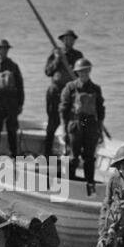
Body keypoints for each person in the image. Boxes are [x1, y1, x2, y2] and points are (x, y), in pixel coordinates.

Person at [59, 58, 105, 194]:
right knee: (73, 157)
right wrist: (63, 129)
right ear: (77, 73)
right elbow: (63, 109)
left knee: (89, 157)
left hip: (91, 125)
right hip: (75, 125)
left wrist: (100, 129)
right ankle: (69, 185)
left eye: (85, 70)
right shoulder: (70, 87)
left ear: (89, 71)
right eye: (80, 71)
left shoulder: (96, 89)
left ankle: (90, 186)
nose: (83, 73)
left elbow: (100, 110)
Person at [42, 29, 82, 158]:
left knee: (70, 124)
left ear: (74, 41)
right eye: (66, 38)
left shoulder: (78, 55)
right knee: (53, 123)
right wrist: (58, 60)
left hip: (70, 93)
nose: (68, 41)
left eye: (71, 38)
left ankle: (69, 154)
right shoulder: (55, 53)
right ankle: (47, 154)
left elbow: (81, 75)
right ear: (62, 40)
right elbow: (48, 71)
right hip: (55, 92)